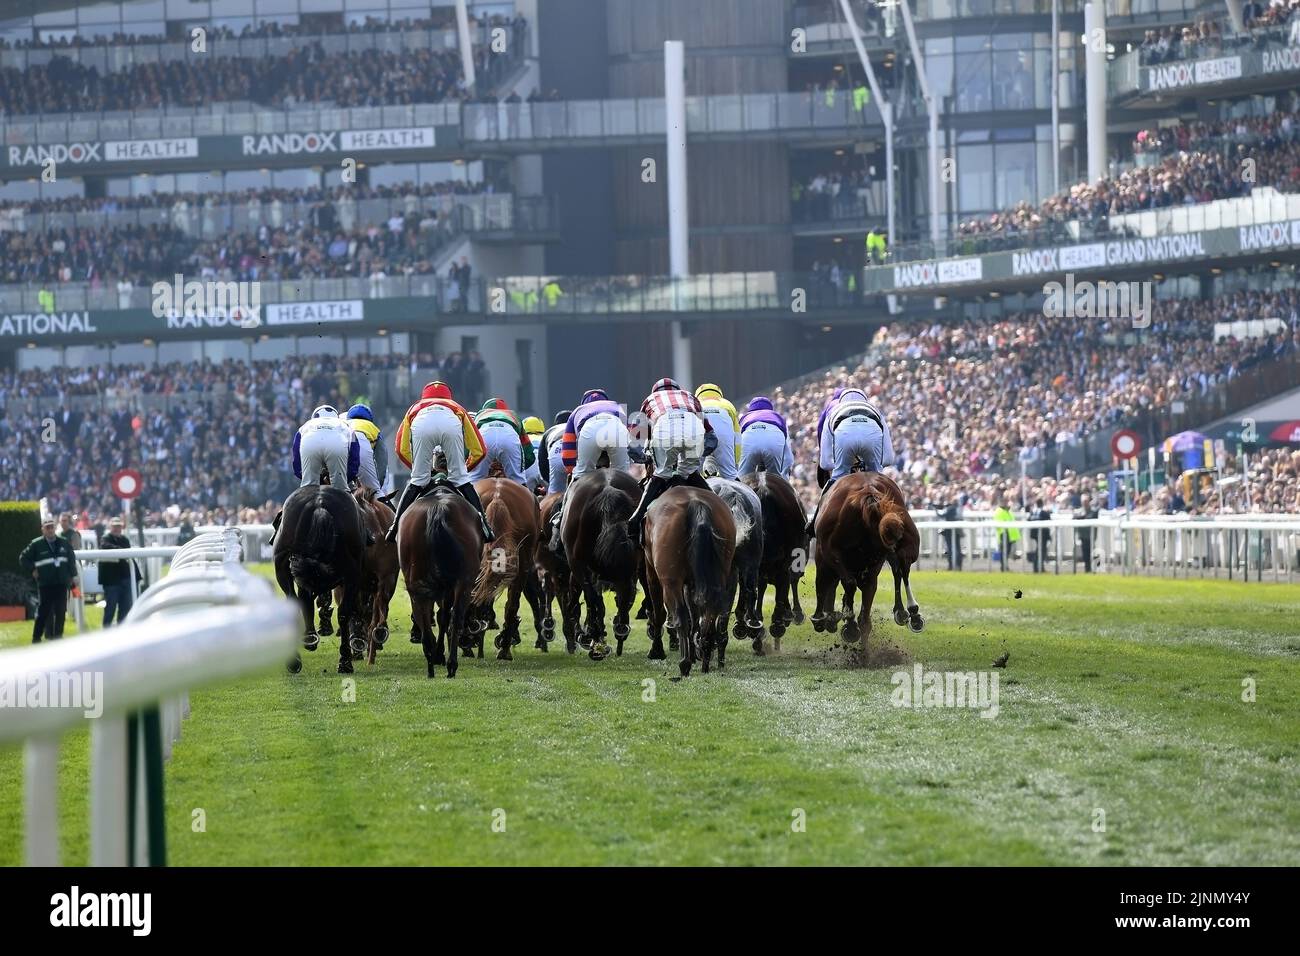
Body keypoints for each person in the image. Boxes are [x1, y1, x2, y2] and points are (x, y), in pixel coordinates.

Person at [387, 381, 494, 542]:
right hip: (451, 424)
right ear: (448, 396)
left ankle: (394, 528)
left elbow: (401, 449)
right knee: (461, 479)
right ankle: (485, 527)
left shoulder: (414, 408)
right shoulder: (456, 406)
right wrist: (462, 470)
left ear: (424, 396)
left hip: (421, 425)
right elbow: (480, 450)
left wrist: (422, 471)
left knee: (417, 480)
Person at [627, 378, 718, 544]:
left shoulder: (650, 400)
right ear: (677, 389)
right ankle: (720, 506)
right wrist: (699, 453)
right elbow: (711, 436)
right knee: (687, 472)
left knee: (662, 472)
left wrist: (643, 457)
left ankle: (636, 517)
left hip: (665, 426)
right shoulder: (690, 397)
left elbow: (634, 441)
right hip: (693, 428)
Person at [547, 389, 631, 550]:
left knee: (578, 479)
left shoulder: (578, 411)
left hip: (590, 430)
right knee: (624, 479)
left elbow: (569, 447)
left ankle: (558, 524)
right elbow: (633, 439)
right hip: (616, 428)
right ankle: (636, 521)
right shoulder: (616, 406)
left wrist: (573, 470)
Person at [806, 387, 895, 536]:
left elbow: (825, 463)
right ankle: (899, 519)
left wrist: (840, 466)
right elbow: (888, 458)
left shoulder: (833, 410)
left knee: (837, 478)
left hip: (843, 435)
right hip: (872, 434)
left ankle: (815, 522)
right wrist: (875, 468)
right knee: (879, 479)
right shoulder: (874, 409)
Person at [19, 516, 78, 643]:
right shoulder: (36, 544)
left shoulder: (64, 542)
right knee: (43, 612)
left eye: (52, 527)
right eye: (47, 528)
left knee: (61, 611)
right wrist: (32, 569)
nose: (50, 530)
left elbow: (71, 559)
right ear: (43, 530)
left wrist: (74, 576)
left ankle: (58, 636)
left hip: (61, 583)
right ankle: (36, 637)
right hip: (45, 583)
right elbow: (23, 558)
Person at [467, 397, 535, 485]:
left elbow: (468, 450)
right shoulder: (512, 415)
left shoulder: (480, 415)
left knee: (474, 479)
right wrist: (515, 467)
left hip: (484, 435)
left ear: (485, 409)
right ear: (505, 411)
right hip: (508, 435)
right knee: (518, 481)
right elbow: (529, 456)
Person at [293, 405, 361, 490]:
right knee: (340, 491)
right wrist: (345, 479)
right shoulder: (346, 426)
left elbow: (296, 457)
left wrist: (306, 478)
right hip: (337, 444)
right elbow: (354, 459)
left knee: (308, 490)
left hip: (310, 443)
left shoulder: (306, 425)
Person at [694, 383, 741, 480]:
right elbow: (737, 437)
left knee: (693, 476)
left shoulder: (694, 403)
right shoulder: (727, 404)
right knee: (730, 476)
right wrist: (735, 463)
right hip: (723, 437)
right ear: (719, 394)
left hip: (700, 436)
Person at [738, 395, 794, 476]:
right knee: (776, 481)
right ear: (770, 409)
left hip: (749, 440)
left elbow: (736, 444)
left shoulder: (745, 417)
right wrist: (785, 476)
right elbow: (788, 455)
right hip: (773, 441)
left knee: (742, 480)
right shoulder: (778, 417)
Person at [344, 403, 390, 496]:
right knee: (376, 493)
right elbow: (382, 461)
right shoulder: (373, 428)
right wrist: (377, 486)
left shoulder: (344, 424)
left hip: (341, 449)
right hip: (363, 451)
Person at [99, 516, 136, 626]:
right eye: (115, 526)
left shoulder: (124, 539)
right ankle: (106, 630)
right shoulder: (105, 538)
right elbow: (105, 547)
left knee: (126, 606)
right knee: (111, 607)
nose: (117, 528)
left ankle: (121, 630)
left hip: (124, 578)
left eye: (118, 526)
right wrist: (121, 552)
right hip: (111, 580)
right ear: (111, 527)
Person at [537, 410, 571, 495]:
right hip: (577, 447)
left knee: (554, 496)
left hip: (557, 448)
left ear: (556, 423)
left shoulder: (551, 430)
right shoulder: (577, 426)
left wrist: (550, 481)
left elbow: (542, 463)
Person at [520, 415, 547, 493]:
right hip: (545, 473)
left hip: (528, 473)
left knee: (525, 498)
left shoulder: (521, 439)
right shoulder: (546, 437)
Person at [1074, 493, 1098, 572]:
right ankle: (1087, 569)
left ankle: (1094, 568)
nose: (1085, 503)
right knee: (1085, 554)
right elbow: (1074, 518)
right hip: (1083, 536)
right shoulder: (1079, 511)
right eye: (1083, 501)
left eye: (1086, 501)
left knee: (1092, 553)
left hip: (1090, 536)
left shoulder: (1094, 511)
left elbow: (1092, 519)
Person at [1028, 497, 1052, 573]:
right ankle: (1038, 568)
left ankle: (1038, 567)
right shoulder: (1043, 512)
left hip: (1034, 534)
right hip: (1042, 535)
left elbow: (1028, 520)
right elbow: (1049, 520)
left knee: (1039, 550)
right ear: (1042, 504)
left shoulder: (1032, 512)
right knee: (1041, 551)